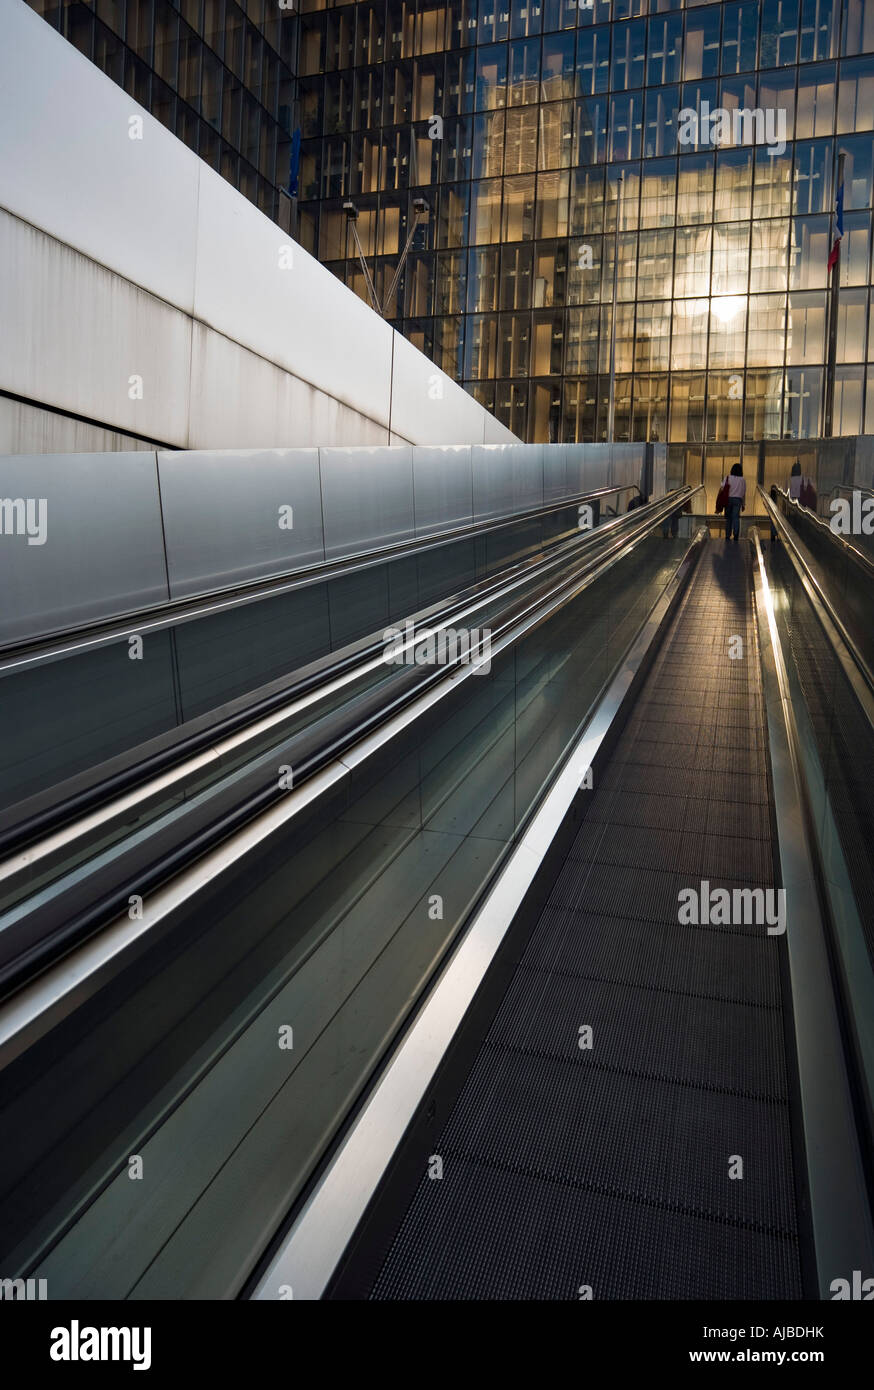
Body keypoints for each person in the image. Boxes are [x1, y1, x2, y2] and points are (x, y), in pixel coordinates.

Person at [721, 463, 746, 542]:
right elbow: (743, 492)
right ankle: (736, 535)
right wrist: (743, 504)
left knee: (728, 518)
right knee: (735, 518)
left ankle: (727, 535)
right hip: (737, 500)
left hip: (728, 500)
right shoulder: (742, 480)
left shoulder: (727, 478)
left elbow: (722, 487)